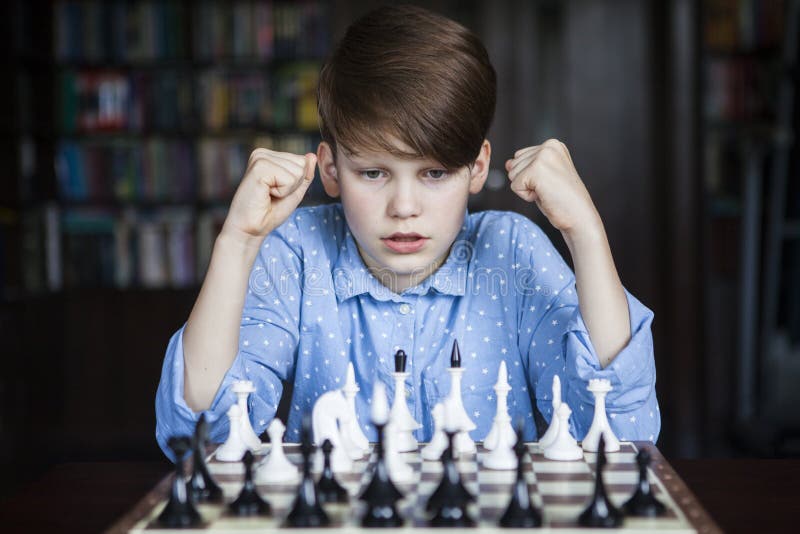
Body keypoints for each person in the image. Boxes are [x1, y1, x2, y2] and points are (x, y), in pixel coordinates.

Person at [155, 4, 660, 459]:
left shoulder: (513, 250)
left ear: (477, 168)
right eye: (372, 173)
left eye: (434, 174)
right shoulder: (296, 252)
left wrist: (586, 234)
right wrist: (237, 243)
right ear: (330, 170)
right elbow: (201, 435)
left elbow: (621, 430)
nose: (403, 207)